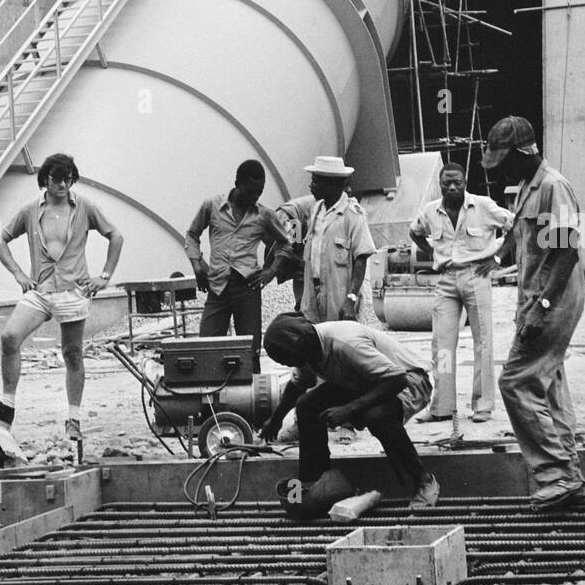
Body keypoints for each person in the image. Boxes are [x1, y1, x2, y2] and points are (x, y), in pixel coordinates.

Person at [0, 152, 123, 459]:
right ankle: (6, 407)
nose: (64, 185)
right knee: (9, 337)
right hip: (41, 290)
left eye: (69, 179)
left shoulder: (85, 207)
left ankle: (74, 418)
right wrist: (18, 273)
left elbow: (115, 236)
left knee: (72, 353)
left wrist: (104, 276)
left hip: (72, 290)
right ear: (46, 180)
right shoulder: (31, 210)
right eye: (58, 179)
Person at [483, 115, 585, 514]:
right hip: (536, 298)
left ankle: (555, 475)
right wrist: (494, 258)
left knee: (516, 381)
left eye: (505, 160)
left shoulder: (553, 186)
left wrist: (542, 307)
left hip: (553, 300)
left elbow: (566, 251)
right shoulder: (528, 185)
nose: (501, 169)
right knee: (547, 381)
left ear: (525, 152)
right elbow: (520, 238)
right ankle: (570, 476)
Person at [259, 313, 439, 510]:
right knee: (306, 405)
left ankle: (424, 481)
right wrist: (275, 420)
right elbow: (296, 386)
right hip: (367, 381)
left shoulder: (345, 343)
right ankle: (318, 481)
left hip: (409, 380)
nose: (294, 365)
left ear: (302, 348)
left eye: (292, 361)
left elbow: (396, 379)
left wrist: (349, 409)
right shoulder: (308, 347)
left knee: (377, 416)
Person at [409, 162, 514, 424]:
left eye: (457, 182)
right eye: (447, 183)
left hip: (476, 275)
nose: (452, 187)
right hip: (446, 279)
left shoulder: (483, 206)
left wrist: (498, 259)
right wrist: (432, 252)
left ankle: (483, 405)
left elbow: (516, 226)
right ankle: (442, 407)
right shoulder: (431, 211)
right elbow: (415, 231)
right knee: (441, 345)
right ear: (440, 184)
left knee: (484, 342)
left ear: (465, 183)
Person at [183, 159, 288, 364]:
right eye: (250, 192)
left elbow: (285, 244)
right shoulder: (211, 206)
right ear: (237, 184)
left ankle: (250, 393)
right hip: (217, 287)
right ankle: (214, 394)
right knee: (208, 348)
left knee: (249, 352)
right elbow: (191, 235)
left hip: (247, 289)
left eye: (259, 193)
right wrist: (197, 266)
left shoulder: (265, 214)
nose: (254, 197)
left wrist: (270, 272)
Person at [291, 155, 376, 323]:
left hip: (339, 297)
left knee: (341, 343)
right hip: (313, 296)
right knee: (315, 342)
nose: (311, 186)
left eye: (315, 182)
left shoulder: (353, 215)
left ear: (330, 184)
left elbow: (361, 259)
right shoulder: (316, 211)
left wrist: (351, 299)